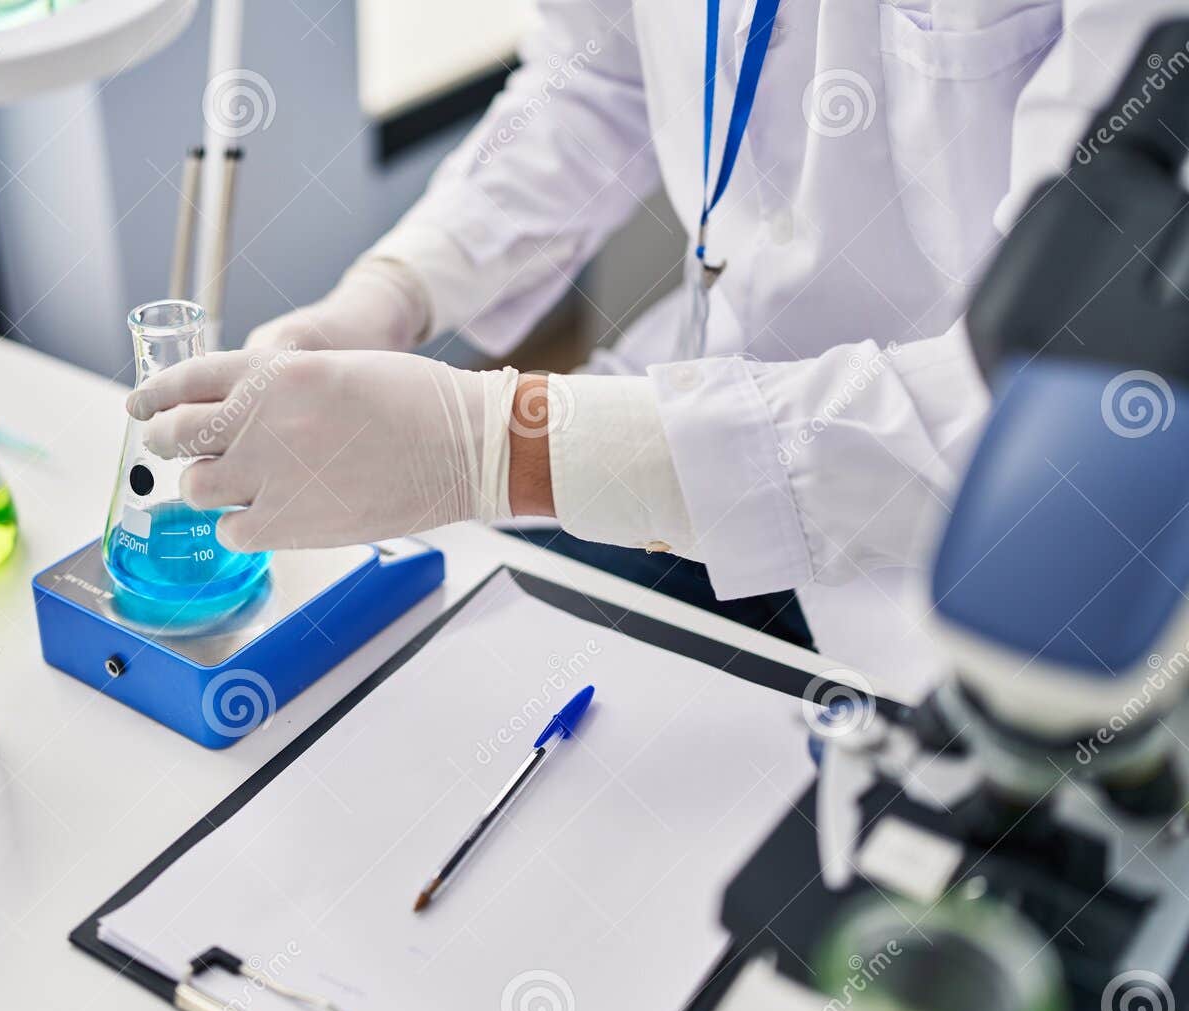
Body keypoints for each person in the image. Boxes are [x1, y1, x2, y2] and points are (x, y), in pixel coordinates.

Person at [130, 1, 1177, 648]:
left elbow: (1054, 390)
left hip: (970, 545)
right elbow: (597, 78)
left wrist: (497, 448)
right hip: (690, 406)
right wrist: (393, 290)